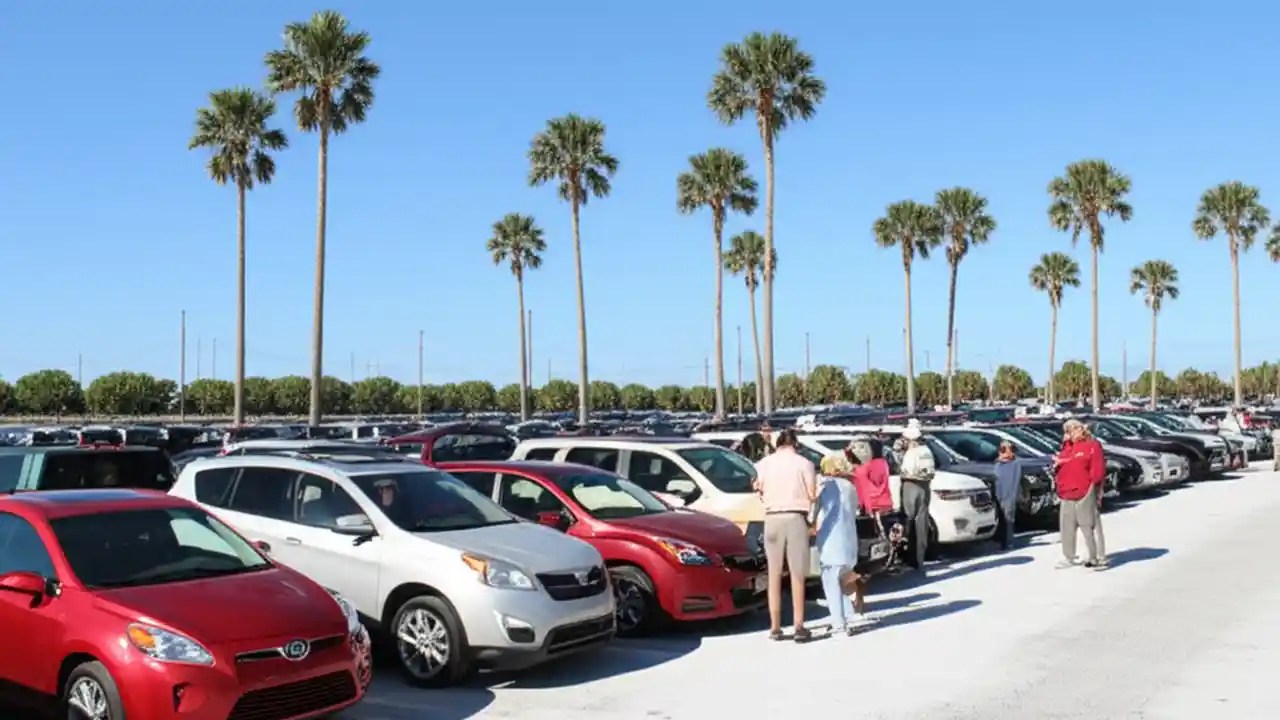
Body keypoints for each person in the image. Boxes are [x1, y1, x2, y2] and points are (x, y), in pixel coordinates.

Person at [752, 428, 818, 642]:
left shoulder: (763, 464)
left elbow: (757, 488)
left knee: (774, 574)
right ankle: (799, 625)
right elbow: (812, 494)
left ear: (777, 444)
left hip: (771, 518)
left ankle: (775, 627)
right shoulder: (805, 464)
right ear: (795, 444)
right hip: (795, 517)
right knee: (797, 574)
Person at [814, 454, 864, 636]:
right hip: (849, 540)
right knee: (842, 579)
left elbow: (815, 512)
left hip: (831, 540)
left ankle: (839, 625)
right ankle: (850, 613)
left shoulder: (827, 487)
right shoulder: (850, 487)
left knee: (830, 581)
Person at [1054, 419, 1107, 569]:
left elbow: (1098, 470)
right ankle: (1069, 556)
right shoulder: (1066, 448)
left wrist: (1094, 490)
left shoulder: (1092, 445)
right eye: (1069, 430)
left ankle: (1097, 557)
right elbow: (1063, 464)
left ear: (1082, 428)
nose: (1073, 431)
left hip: (1085, 492)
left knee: (1089, 525)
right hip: (1066, 493)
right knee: (1067, 527)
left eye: (1075, 428)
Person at [898, 421, 936, 571]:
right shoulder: (926, 450)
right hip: (925, 486)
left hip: (911, 484)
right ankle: (919, 558)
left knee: (908, 520)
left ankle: (909, 557)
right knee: (921, 522)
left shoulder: (912, 452)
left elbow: (905, 470)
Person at [992, 441, 1023, 550]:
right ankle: (1000, 541)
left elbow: (1015, 481)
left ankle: (1008, 542)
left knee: (1009, 519)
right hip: (998, 495)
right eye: (1002, 449)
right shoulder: (997, 465)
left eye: (1008, 449)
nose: (1004, 452)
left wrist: (1015, 495)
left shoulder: (1015, 464)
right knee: (1000, 519)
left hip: (1010, 495)